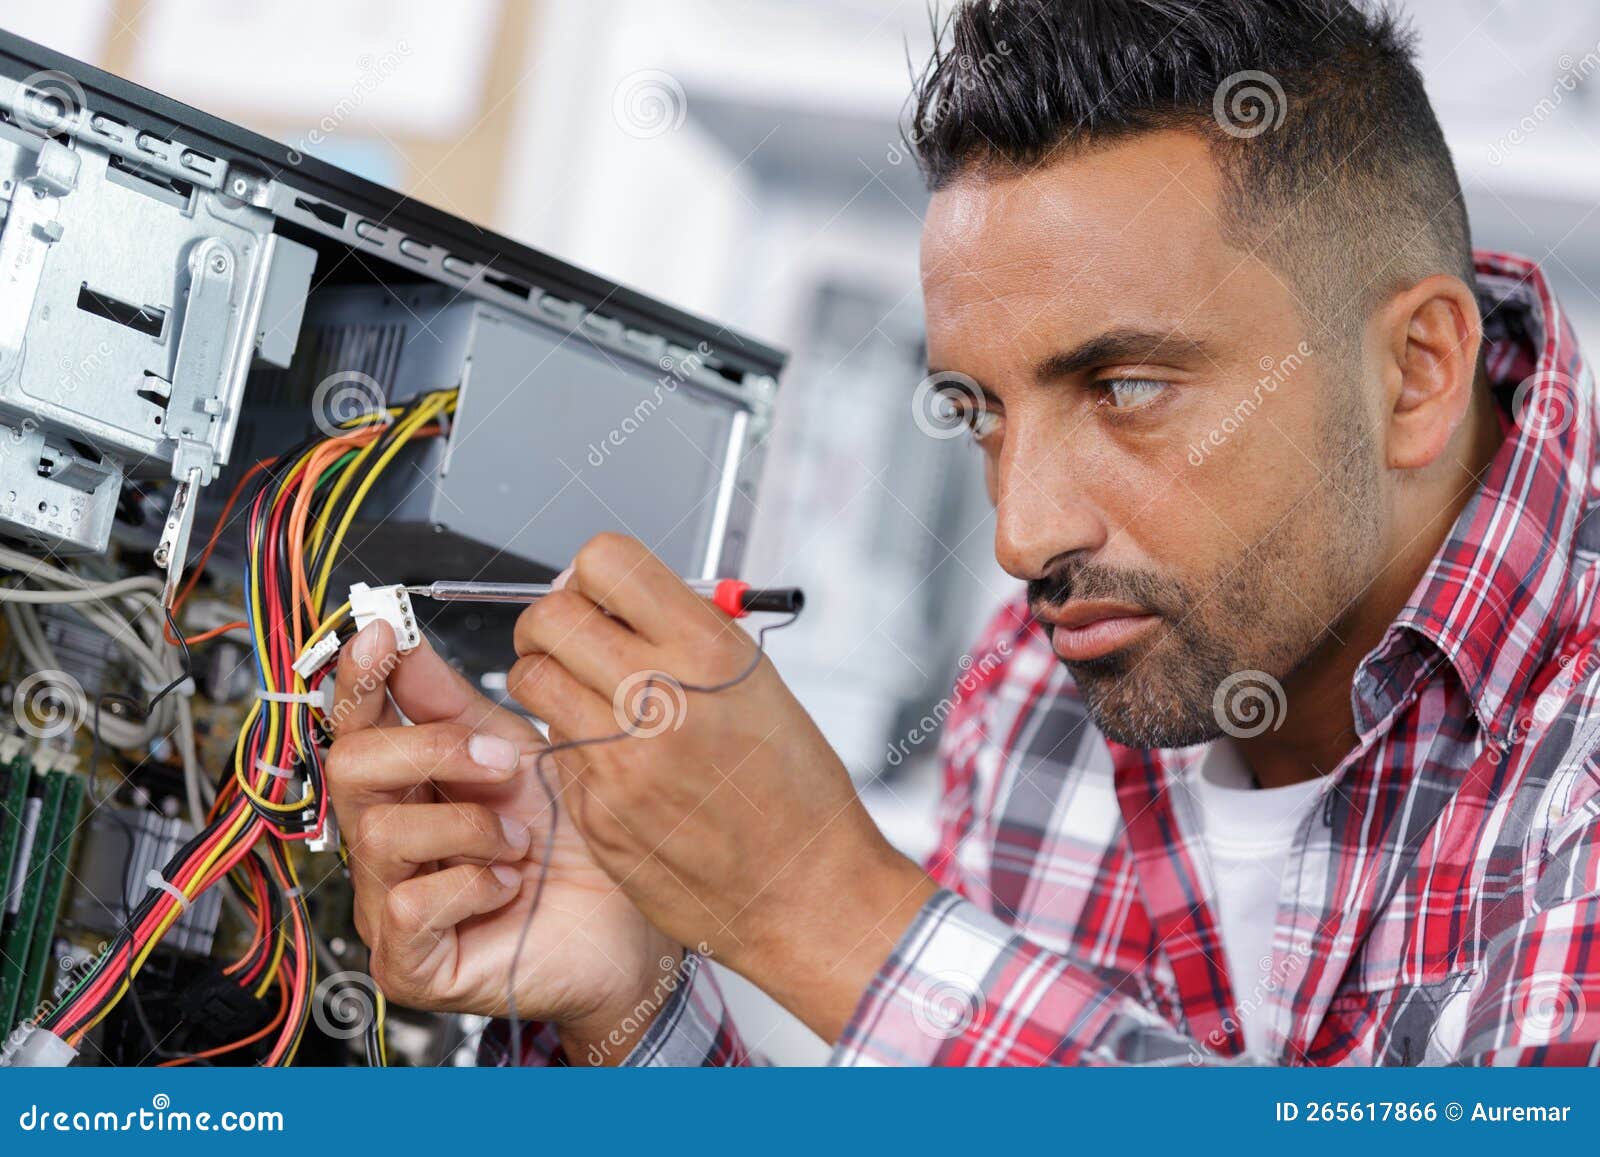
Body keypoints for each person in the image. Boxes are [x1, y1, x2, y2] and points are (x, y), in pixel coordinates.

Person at [323, 0, 1600, 1066]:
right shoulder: (1042, 689)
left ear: (1416, 374)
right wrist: (627, 995)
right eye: (980, 412)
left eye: (1127, 388)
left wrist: (820, 905)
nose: (1023, 535)